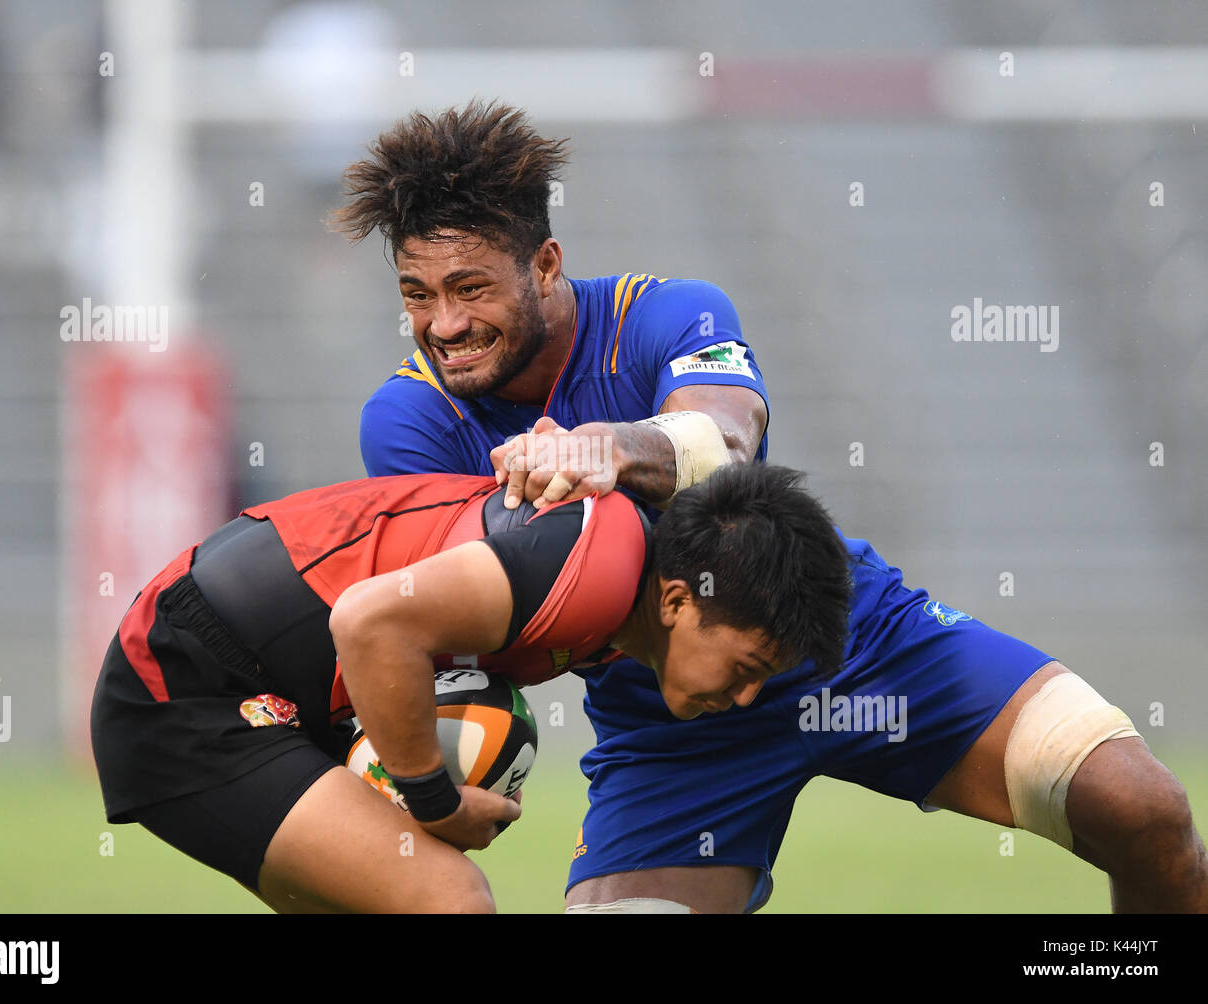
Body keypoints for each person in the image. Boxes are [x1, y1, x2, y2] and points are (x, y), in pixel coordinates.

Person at [341, 100, 1208, 913]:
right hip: (670, 724)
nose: (445, 324)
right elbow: (460, 620)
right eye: (419, 295)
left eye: (471, 287)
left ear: (546, 263)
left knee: (1142, 811)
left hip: (852, 640)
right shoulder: (409, 421)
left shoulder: (666, 312)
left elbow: (725, 435)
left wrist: (608, 445)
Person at [89, 465, 852, 913]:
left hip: (254, 682)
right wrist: (435, 801)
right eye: (747, 669)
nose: (746, 698)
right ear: (681, 600)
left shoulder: (617, 574)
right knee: (450, 900)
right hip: (187, 680)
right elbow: (367, 622)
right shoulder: (598, 567)